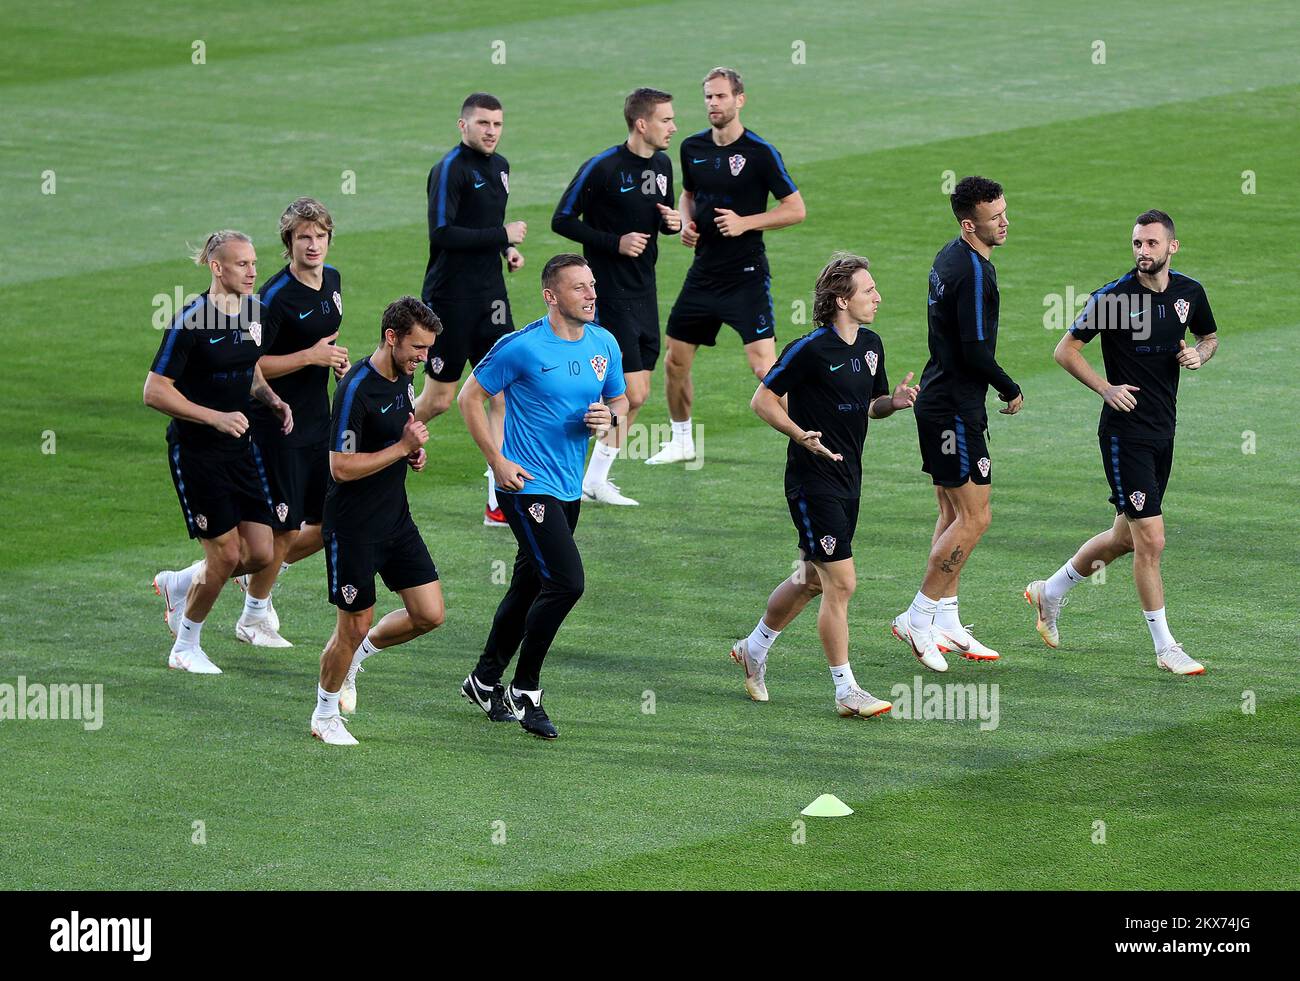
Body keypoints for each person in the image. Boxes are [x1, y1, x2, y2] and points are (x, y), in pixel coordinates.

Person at [1026, 210, 1218, 676]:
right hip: (1124, 435)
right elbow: (1064, 350)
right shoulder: (1113, 299)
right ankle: (1165, 646)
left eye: (1152, 244)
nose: (1143, 252)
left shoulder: (1188, 293)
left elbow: (1209, 336)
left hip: (1162, 431)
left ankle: (1049, 591)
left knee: (1125, 538)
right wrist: (1106, 389)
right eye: (1137, 244)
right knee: (1152, 539)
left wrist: (1199, 354)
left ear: (1172, 247)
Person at [734, 254, 917, 717]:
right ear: (841, 300)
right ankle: (846, 690)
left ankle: (753, 648)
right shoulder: (809, 349)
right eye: (868, 290)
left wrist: (891, 403)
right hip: (811, 480)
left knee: (811, 578)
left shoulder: (872, 344)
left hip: (849, 478)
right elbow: (763, 400)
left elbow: (870, 404)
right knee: (841, 581)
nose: (878, 297)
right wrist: (800, 434)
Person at [456, 254, 628, 739]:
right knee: (567, 583)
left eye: (592, 285)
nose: (592, 294)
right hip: (524, 485)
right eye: (579, 288)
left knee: (531, 583)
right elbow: (469, 397)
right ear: (552, 296)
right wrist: (497, 462)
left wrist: (608, 419)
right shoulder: (522, 346)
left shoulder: (604, 343)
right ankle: (525, 690)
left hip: (566, 486)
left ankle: (483, 679)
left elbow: (619, 399)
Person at [892, 176, 1022, 672]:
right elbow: (973, 351)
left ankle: (945, 618)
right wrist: (1010, 386)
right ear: (970, 225)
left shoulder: (950, 255)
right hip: (953, 408)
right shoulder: (971, 271)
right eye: (995, 218)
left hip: (942, 400)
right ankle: (918, 614)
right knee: (975, 516)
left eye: (1005, 211)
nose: (1005, 222)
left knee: (951, 515)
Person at [645, 66, 806, 465]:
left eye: (720, 96)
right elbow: (688, 193)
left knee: (764, 367)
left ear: (739, 99)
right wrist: (685, 222)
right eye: (708, 97)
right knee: (675, 359)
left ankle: (808, 434)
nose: (713, 104)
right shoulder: (692, 147)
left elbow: (795, 209)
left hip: (746, 276)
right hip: (703, 273)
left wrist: (745, 222)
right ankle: (682, 440)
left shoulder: (760, 153)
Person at [148, 231, 292, 674]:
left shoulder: (257, 314)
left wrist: (270, 399)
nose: (252, 271)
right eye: (241, 264)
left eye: (253, 263)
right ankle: (185, 645)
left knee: (262, 552)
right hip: (197, 452)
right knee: (227, 556)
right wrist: (213, 417)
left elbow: (246, 366)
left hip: (239, 448)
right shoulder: (190, 321)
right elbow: (155, 391)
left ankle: (181, 583)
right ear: (216, 268)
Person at [310, 297, 445, 746]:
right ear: (392, 337)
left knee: (429, 614)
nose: (423, 358)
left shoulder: (404, 377)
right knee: (352, 625)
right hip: (353, 528)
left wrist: (411, 452)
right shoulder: (354, 389)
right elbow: (340, 468)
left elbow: (395, 433)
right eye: (417, 348)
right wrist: (400, 447)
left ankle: (356, 660)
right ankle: (325, 714)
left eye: (427, 349)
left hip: (395, 520)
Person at [552, 87, 681, 505]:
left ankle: (591, 480)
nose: (673, 127)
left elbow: (661, 217)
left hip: (646, 292)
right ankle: (581, 471)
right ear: (642, 124)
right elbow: (562, 220)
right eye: (666, 120)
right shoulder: (602, 168)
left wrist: (675, 223)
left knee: (633, 393)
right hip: (608, 294)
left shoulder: (662, 165)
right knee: (632, 393)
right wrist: (614, 243)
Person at [231, 197, 349, 647]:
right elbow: (250, 366)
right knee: (283, 527)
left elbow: (326, 341)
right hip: (277, 424)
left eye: (320, 236)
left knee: (325, 523)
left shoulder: (333, 281)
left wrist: (335, 362)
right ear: (289, 241)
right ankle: (252, 618)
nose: (313, 244)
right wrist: (309, 357)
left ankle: (246, 575)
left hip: (319, 420)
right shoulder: (274, 297)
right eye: (304, 237)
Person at [414, 92, 526, 526]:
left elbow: (484, 227)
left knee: (502, 391)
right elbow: (442, 233)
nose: (491, 131)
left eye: (497, 124)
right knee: (440, 399)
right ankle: (376, 439)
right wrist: (501, 233)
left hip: (492, 300)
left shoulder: (500, 168)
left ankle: (497, 498)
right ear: (463, 126)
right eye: (483, 124)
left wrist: (507, 249)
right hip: (450, 300)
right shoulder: (449, 170)